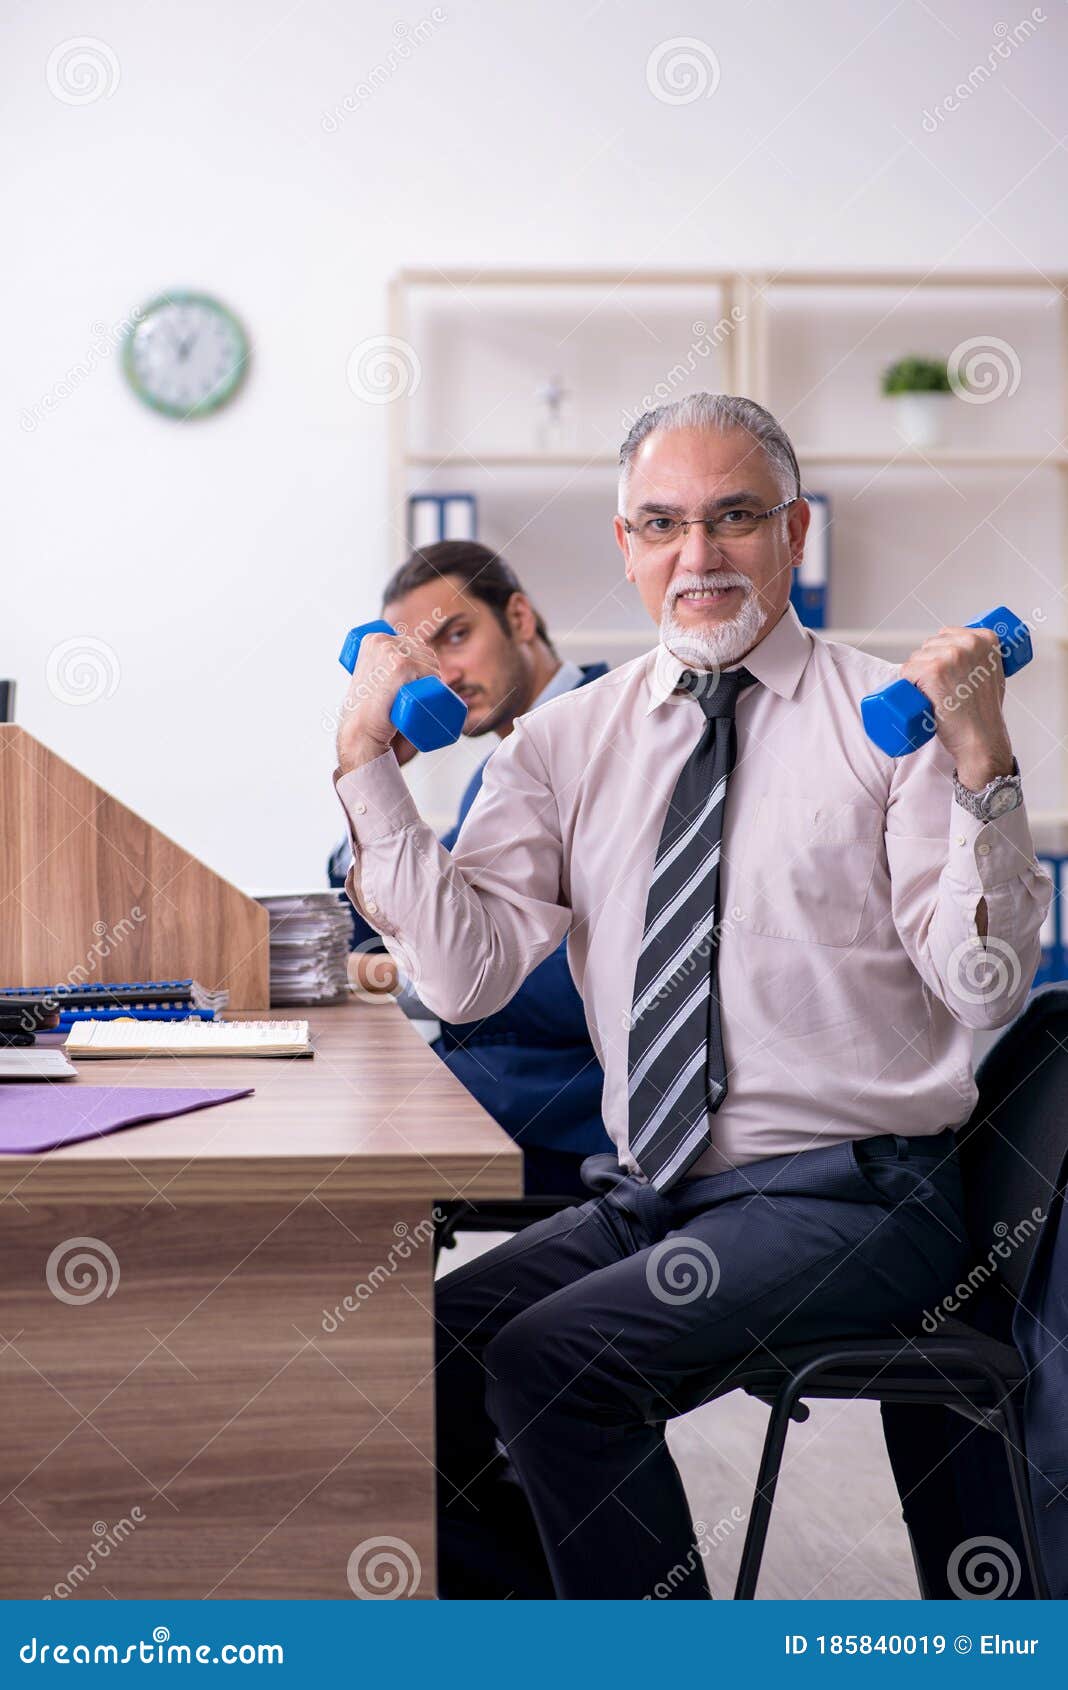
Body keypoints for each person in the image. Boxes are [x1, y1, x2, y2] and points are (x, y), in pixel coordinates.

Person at [330, 393, 1052, 1599]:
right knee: (396, 1363)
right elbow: (462, 978)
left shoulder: (899, 732)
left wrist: (985, 765)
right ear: (625, 546)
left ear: (794, 533)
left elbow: (983, 982)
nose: (699, 555)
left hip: (851, 1196)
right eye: (662, 523)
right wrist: (366, 770)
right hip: (653, 1193)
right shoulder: (558, 745)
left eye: (734, 518)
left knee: (558, 1363)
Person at [328, 539, 612, 1197]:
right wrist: (376, 780)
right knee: (344, 1103)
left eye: (456, 636)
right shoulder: (499, 768)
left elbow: (582, 980)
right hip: (509, 1083)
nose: (446, 674)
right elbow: (382, 927)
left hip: (575, 1108)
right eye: (423, 661)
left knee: (355, 1133)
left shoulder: (602, 734)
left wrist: (406, 972)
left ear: (518, 618)